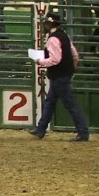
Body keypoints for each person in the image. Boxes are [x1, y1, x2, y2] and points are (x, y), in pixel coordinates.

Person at [32, 11, 91, 142]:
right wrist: (70, 69)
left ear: (49, 24)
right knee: (50, 102)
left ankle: (83, 132)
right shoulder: (64, 36)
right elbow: (74, 54)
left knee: (69, 104)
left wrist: (40, 61)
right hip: (63, 75)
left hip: (58, 75)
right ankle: (40, 130)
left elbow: (55, 59)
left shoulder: (53, 39)